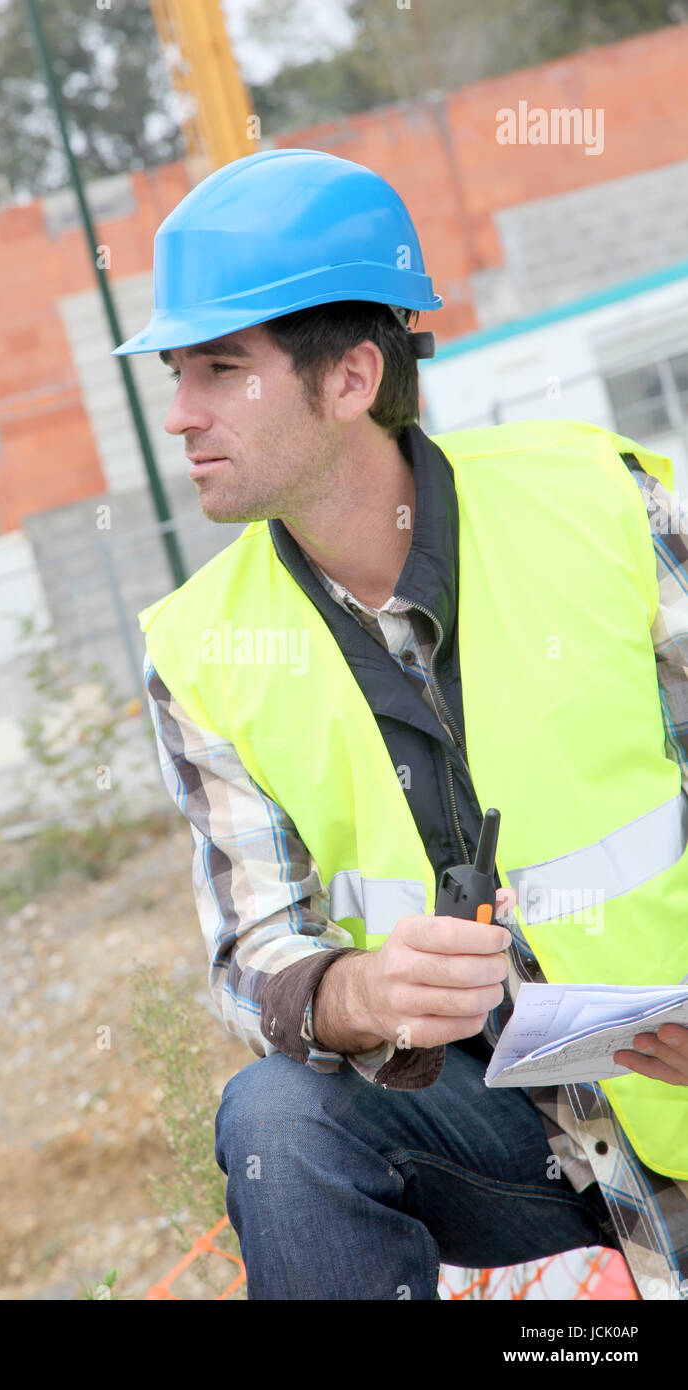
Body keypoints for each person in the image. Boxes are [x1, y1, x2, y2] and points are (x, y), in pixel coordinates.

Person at [113, 148, 688, 1301]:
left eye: (222, 369)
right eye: (178, 373)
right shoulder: (202, 648)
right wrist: (357, 995)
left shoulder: (596, 503)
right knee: (279, 1120)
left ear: (349, 377)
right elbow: (252, 952)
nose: (178, 414)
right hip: (509, 1138)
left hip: (672, 1084)